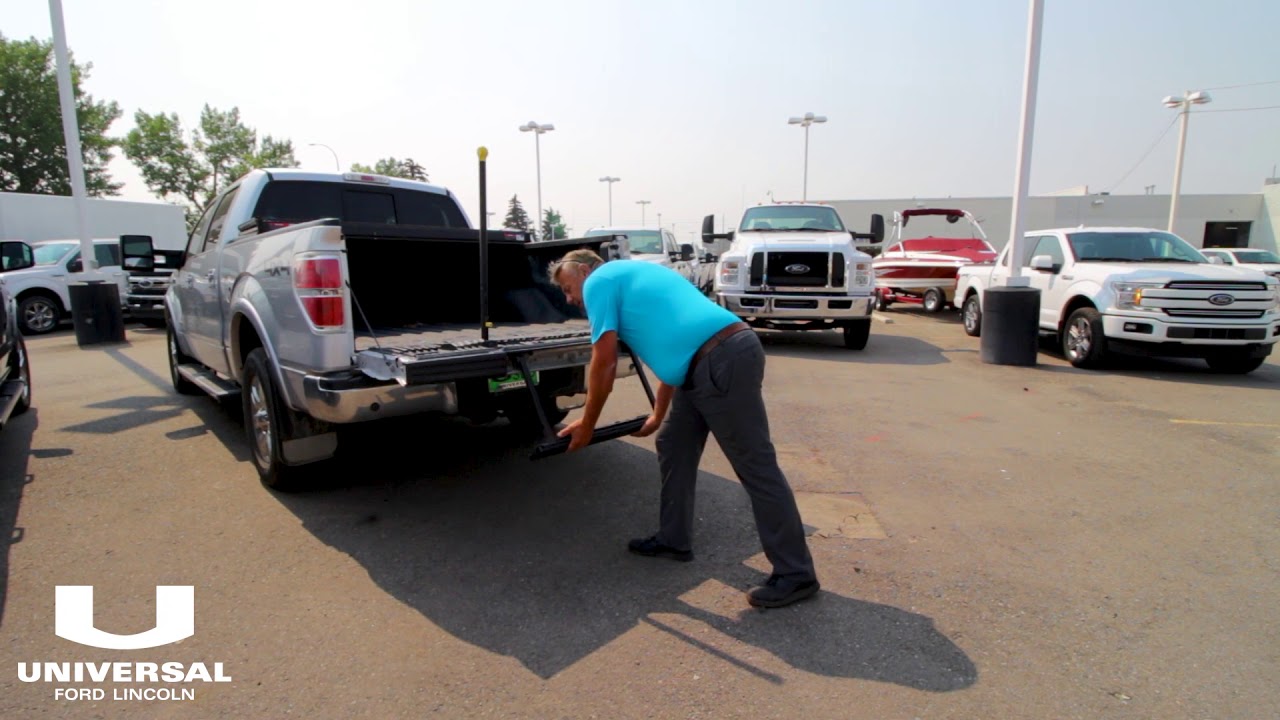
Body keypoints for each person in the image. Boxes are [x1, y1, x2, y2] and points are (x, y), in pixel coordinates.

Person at [549, 248, 819, 608]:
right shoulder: (632, 276)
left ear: (583, 270)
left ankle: (796, 574)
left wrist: (587, 423)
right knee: (673, 442)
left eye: (568, 288)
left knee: (757, 467)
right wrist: (658, 415)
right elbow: (673, 352)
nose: (570, 300)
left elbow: (604, 360)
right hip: (708, 360)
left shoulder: (599, 280)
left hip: (720, 360)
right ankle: (674, 539)